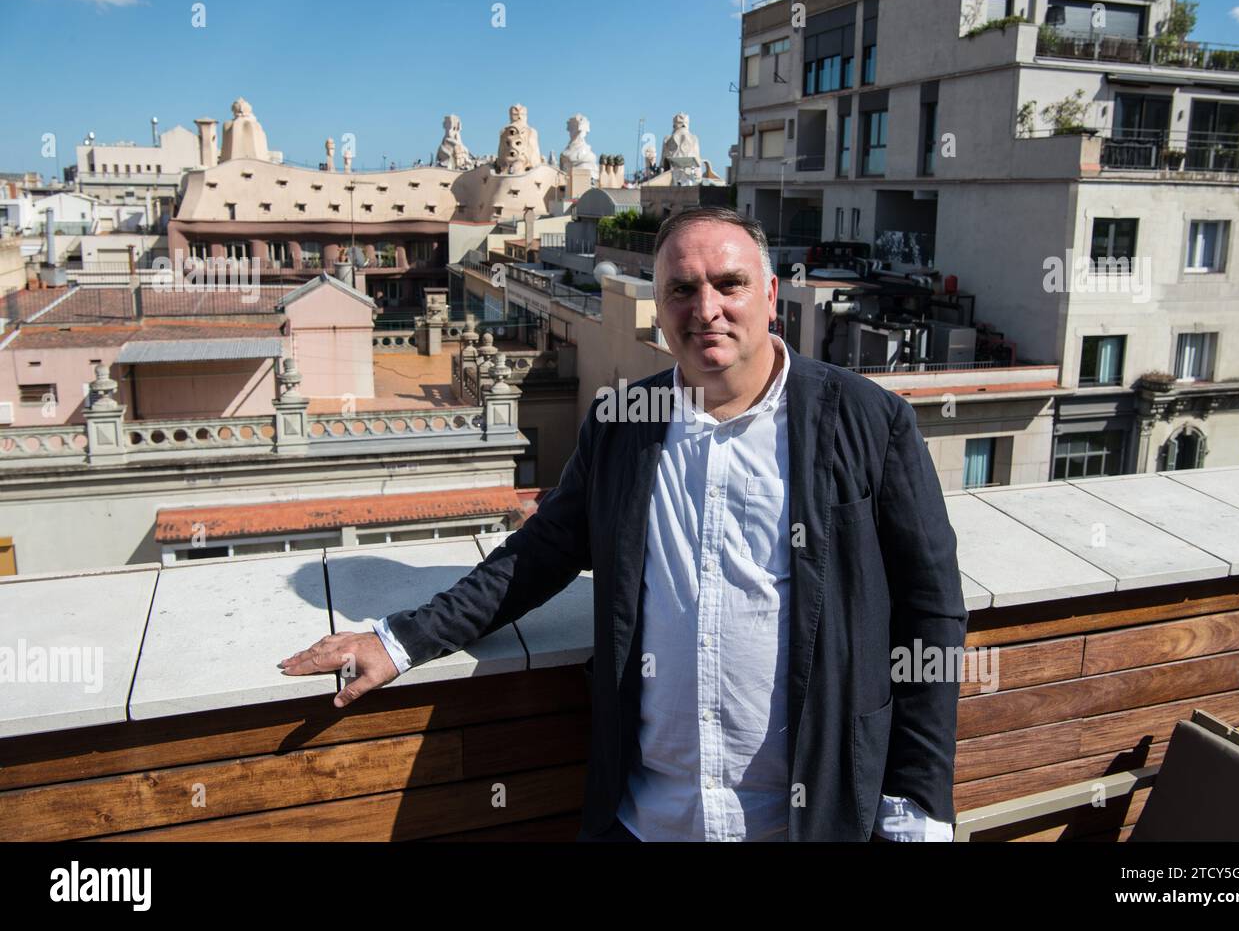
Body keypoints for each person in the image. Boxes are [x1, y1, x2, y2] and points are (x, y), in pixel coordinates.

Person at [280, 206, 969, 841]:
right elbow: (538, 554)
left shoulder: (868, 421)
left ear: (770, 298)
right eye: (681, 290)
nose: (707, 310)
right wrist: (400, 639)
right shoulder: (622, 424)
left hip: (812, 818)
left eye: (729, 284)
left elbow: (931, 610)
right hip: (648, 819)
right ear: (658, 312)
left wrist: (916, 805)